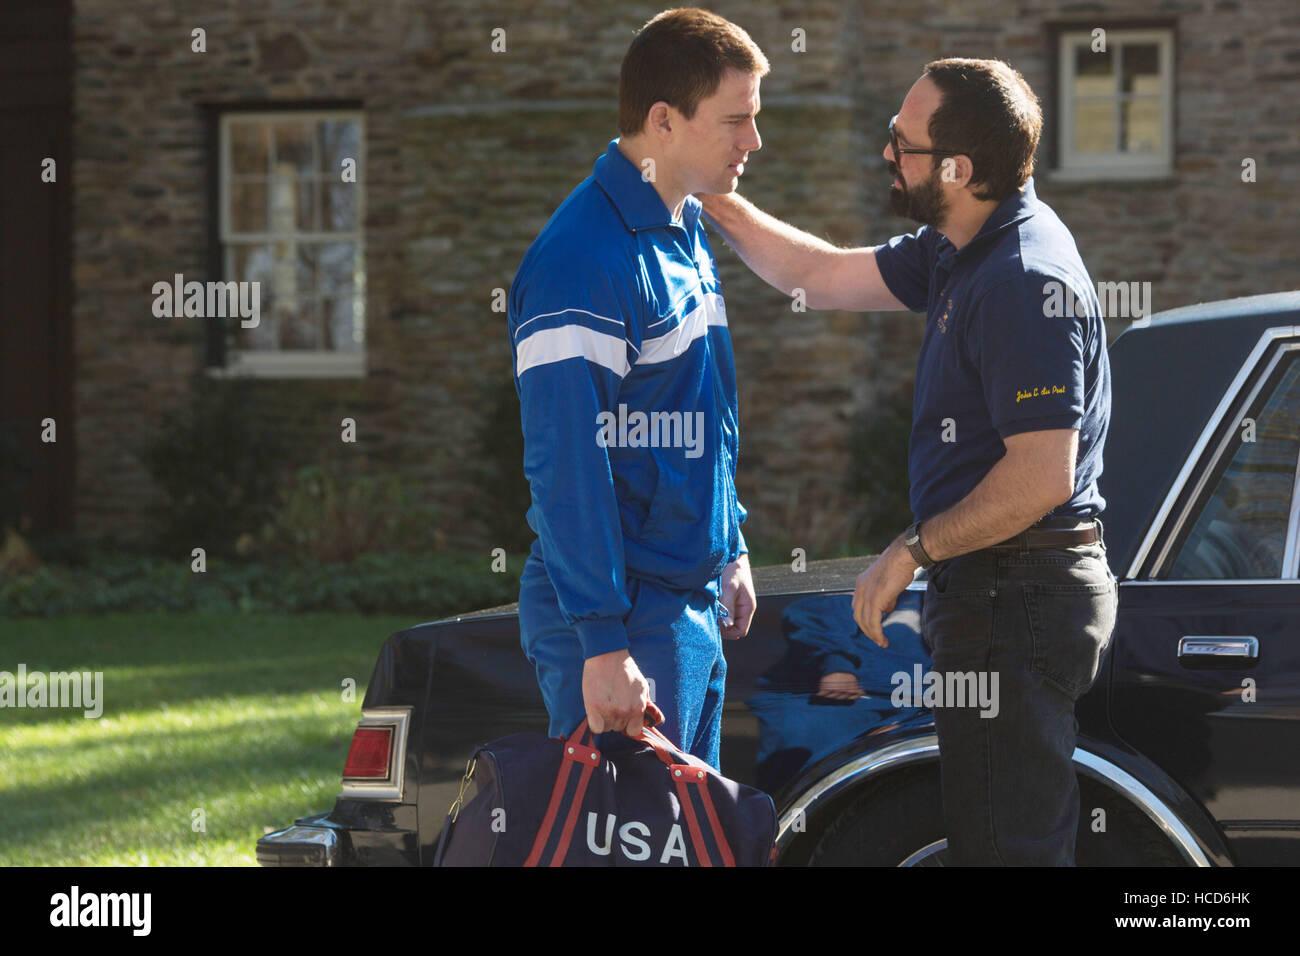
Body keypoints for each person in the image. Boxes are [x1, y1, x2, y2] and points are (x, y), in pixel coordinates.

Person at [697, 57, 1118, 863]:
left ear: (956, 170)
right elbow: (814, 275)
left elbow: (1040, 475)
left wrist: (911, 551)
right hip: (1002, 592)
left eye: (902, 142)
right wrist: (703, 193)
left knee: (1009, 852)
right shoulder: (961, 244)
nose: (886, 154)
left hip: (1016, 600)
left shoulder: (1022, 279)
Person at [507, 8, 767, 770]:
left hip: (686, 608)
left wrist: (732, 542)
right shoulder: (580, 261)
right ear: (663, 120)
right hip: (625, 621)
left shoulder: (682, 224)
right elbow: (566, 462)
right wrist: (602, 642)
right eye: (737, 120)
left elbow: (702, 410)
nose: (754, 141)